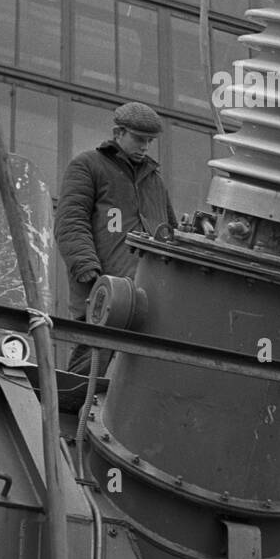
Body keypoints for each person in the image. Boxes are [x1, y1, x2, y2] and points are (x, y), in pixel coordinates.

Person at [54, 102, 177, 376]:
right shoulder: (88, 166)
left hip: (150, 298)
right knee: (88, 373)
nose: (145, 146)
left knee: (140, 380)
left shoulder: (155, 182)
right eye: (139, 139)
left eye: (149, 141)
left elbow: (171, 235)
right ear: (117, 132)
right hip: (105, 295)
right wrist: (90, 273)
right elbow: (70, 223)